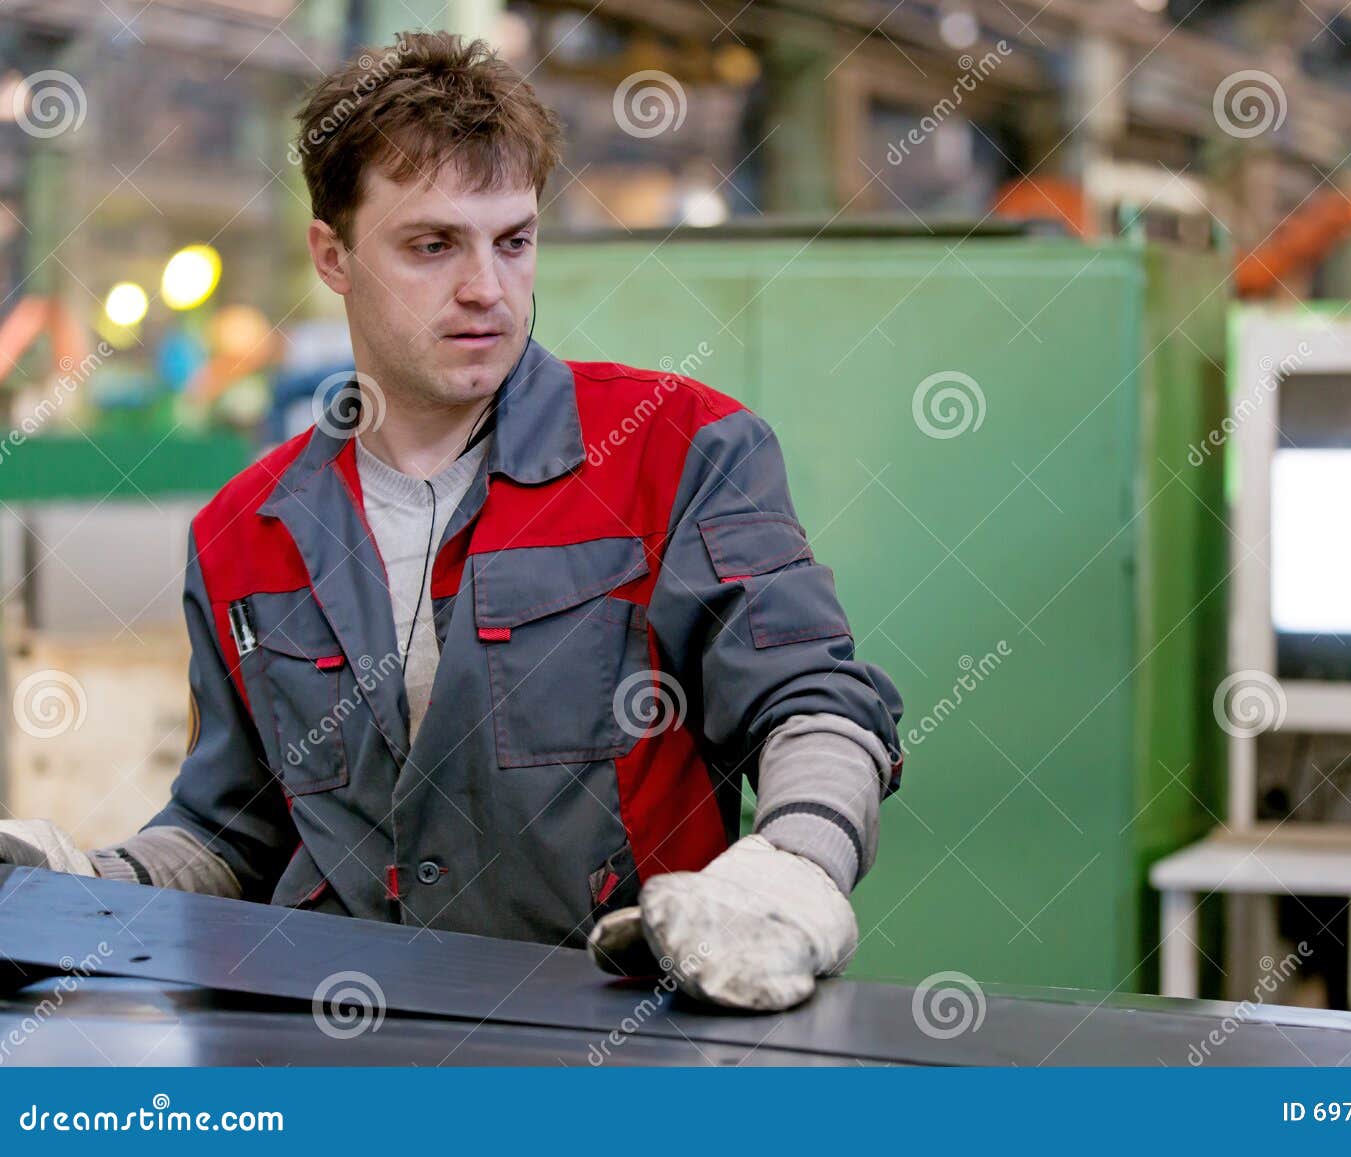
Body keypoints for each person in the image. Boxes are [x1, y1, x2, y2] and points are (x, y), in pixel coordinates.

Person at [0, 31, 902, 1012]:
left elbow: (819, 705)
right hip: (329, 1059)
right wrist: (74, 891)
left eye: (512, 240)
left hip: (621, 1055)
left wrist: (794, 868)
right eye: (433, 245)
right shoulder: (242, 531)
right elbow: (231, 834)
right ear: (332, 255)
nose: (487, 288)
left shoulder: (677, 451)